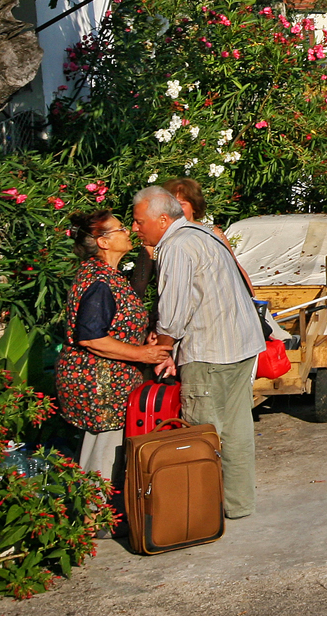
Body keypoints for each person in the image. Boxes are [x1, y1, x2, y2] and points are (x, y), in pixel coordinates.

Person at [130, 185, 264, 519]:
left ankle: (201, 512)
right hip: (240, 346)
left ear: (162, 219)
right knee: (236, 429)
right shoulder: (206, 234)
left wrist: (162, 348)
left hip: (209, 351)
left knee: (202, 433)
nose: (135, 228)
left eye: (138, 221)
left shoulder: (177, 245)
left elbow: (174, 310)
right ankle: (238, 505)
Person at [55, 209, 174, 525]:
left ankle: (93, 516)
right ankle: (97, 520)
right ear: (103, 242)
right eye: (120, 229)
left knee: (101, 447)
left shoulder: (105, 276)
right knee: (105, 449)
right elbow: (92, 337)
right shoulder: (99, 282)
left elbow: (121, 316)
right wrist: (141, 355)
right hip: (98, 380)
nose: (127, 232)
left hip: (106, 378)